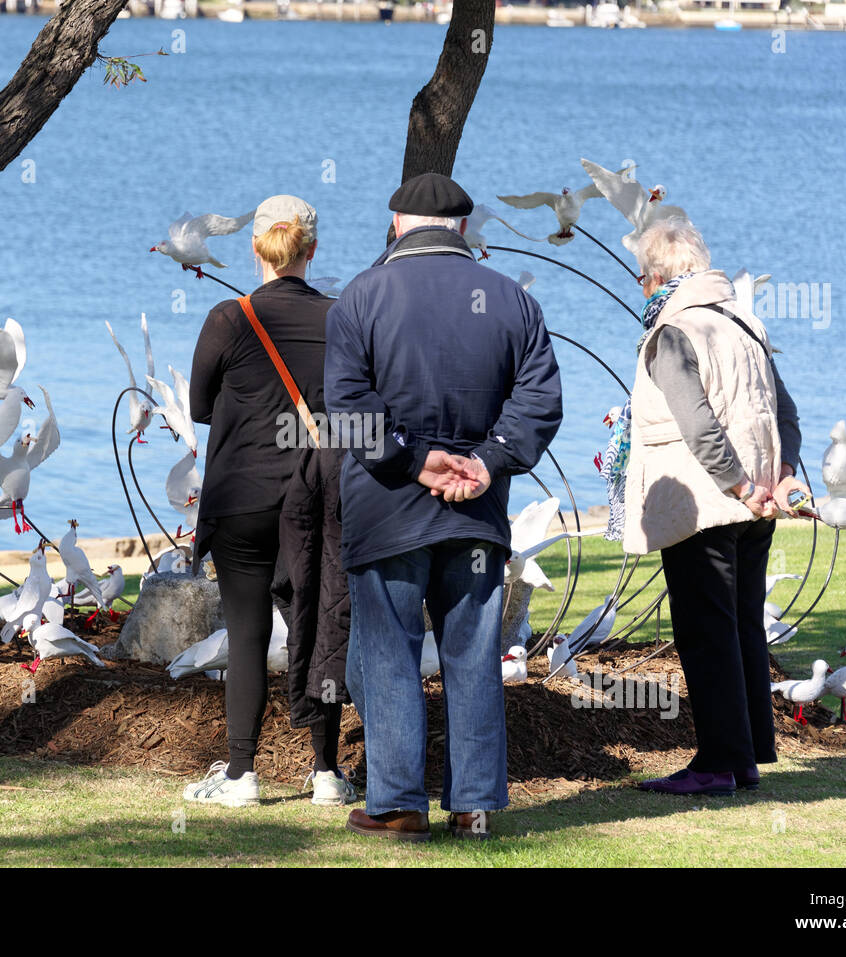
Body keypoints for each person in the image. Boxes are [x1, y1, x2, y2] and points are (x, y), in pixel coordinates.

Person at [324, 172, 563, 841]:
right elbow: (539, 402)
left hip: (387, 508)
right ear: (462, 228)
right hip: (476, 513)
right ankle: (475, 803)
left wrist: (414, 458)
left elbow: (348, 409)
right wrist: (487, 460)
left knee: (391, 652)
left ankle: (398, 801)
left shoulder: (361, 297)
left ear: (397, 222)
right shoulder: (512, 299)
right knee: (473, 653)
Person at [622, 216, 805, 797]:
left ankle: (718, 764)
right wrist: (777, 477)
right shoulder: (743, 322)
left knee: (706, 631)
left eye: (641, 277)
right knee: (742, 624)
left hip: (711, 505)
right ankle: (746, 754)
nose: (639, 287)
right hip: (754, 505)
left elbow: (696, 422)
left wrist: (740, 485)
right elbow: (788, 413)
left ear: (655, 278)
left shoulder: (676, 332)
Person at [183, 195, 355, 808]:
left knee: (248, 631)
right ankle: (327, 774)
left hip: (242, 498)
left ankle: (241, 774)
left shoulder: (228, 319)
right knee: (321, 622)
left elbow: (202, 407)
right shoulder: (343, 320)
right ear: (312, 250)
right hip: (316, 499)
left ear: (255, 247)